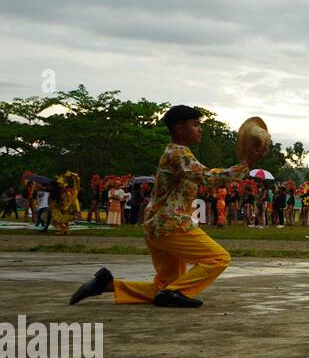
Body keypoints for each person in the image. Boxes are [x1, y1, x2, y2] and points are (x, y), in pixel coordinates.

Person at [68, 105, 265, 308]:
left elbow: (204, 172)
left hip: (157, 225)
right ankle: (175, 292)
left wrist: (244, 164)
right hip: (172, 223)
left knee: (163, 287)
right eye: (195, 125)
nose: (200, 129)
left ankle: (107, 285)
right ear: (179, 129)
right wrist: (245, 165)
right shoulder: (178, 153)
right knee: (218, 258)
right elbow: (207, 177)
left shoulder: (178, 153)